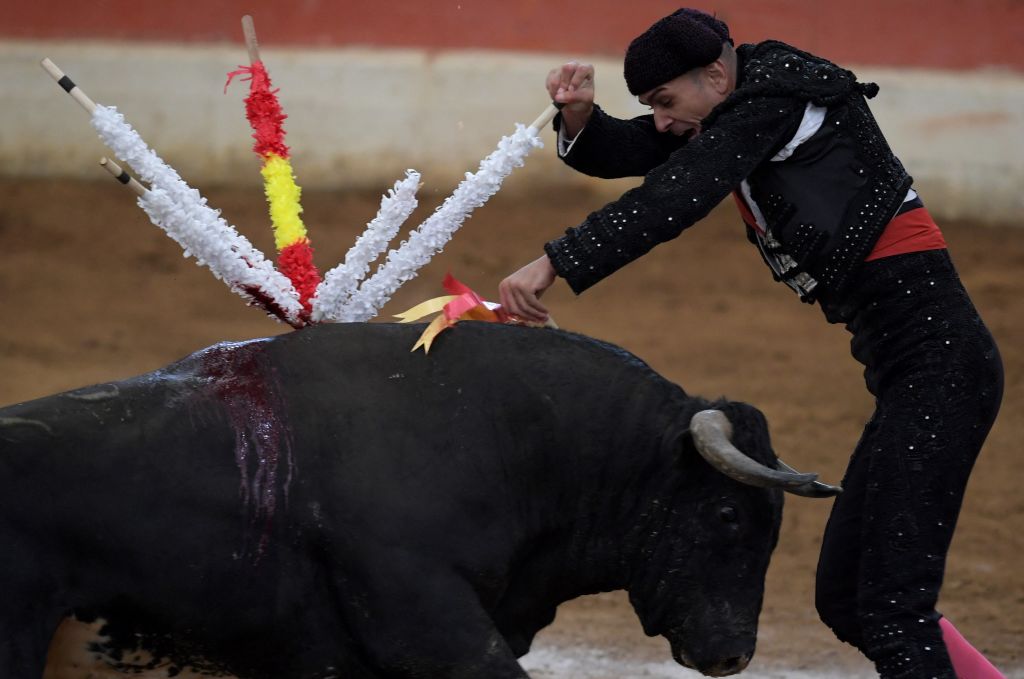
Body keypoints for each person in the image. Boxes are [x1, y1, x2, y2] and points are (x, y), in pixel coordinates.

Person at [498, 8, 1006, 679]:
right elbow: (640, 152)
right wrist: (580, 121)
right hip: (916, 374)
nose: (663, 120)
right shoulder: (737, 104)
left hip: (942, 369)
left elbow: (670, 197)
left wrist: (554, 261)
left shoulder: (775, 103)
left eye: (665, 101)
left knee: (887, 605)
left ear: (714, 73)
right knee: (850, 601)